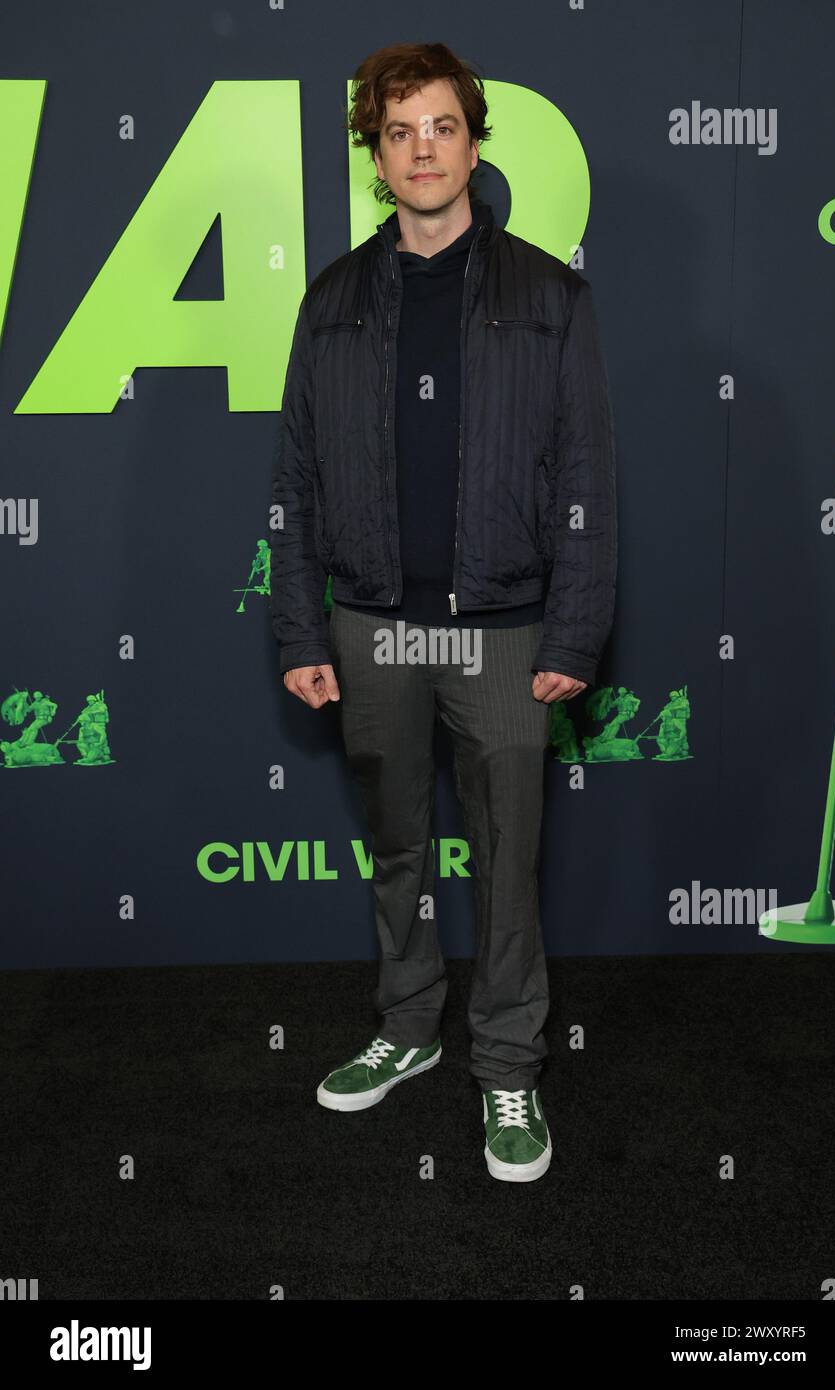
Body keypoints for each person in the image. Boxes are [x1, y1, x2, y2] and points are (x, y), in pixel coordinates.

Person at [269, 41, 617, 1182]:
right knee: (396, 850)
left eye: (443, 127)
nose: (424, 149)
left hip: (506, 628)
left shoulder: (547, 294)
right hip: (372, 626)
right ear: (376, 153)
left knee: (507, 861)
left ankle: (509, 1069)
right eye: (400, 130)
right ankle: (407, 1027)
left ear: (473, 142)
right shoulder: (330, 299)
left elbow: (585, 479)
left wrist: (572, 633)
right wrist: (299, 627)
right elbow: (296, 484)